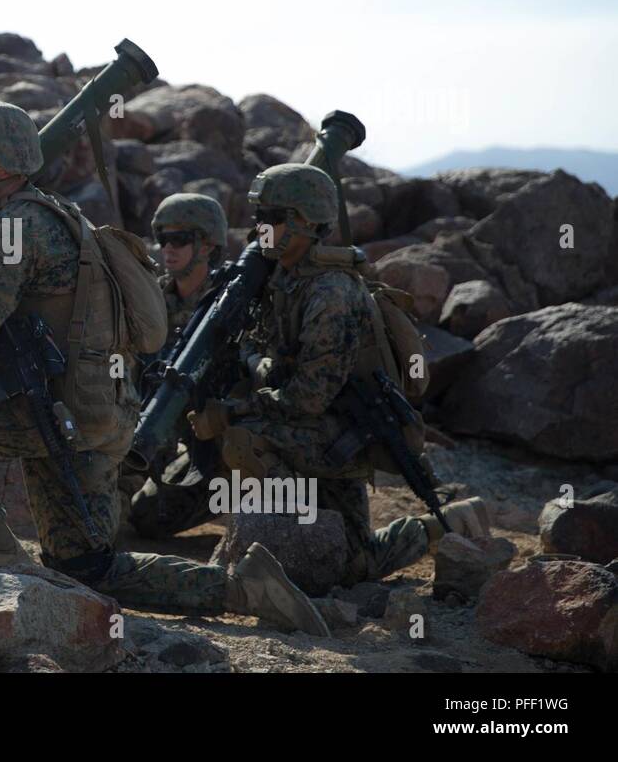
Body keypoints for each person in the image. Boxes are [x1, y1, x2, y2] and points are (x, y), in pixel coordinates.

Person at [0, 100, 329, 633]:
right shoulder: (53, 213)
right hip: (94, 415)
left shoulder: (9, 230)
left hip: (60, 418)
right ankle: (240, 588)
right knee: (85, 566)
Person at [188, 162, 490, 586]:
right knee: (357, 564)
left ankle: (289, 545)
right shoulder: (284, 275)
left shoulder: (330, 293)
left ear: (306, 223)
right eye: (258, 218)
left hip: (342, 432)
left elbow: (307, 399)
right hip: (318, 426)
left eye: (272, 219)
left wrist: (232, 411)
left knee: (243, 438)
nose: (261, 229)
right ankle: (438, 526)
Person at [124, 193, 232, 539]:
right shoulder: (151, 300)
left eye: (180, 239)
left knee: (150, 516)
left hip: (217, 442)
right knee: (142, 517)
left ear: (207, 245)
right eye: (163, 239)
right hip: (154, 430)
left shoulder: (230, 305)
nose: (167, 248)